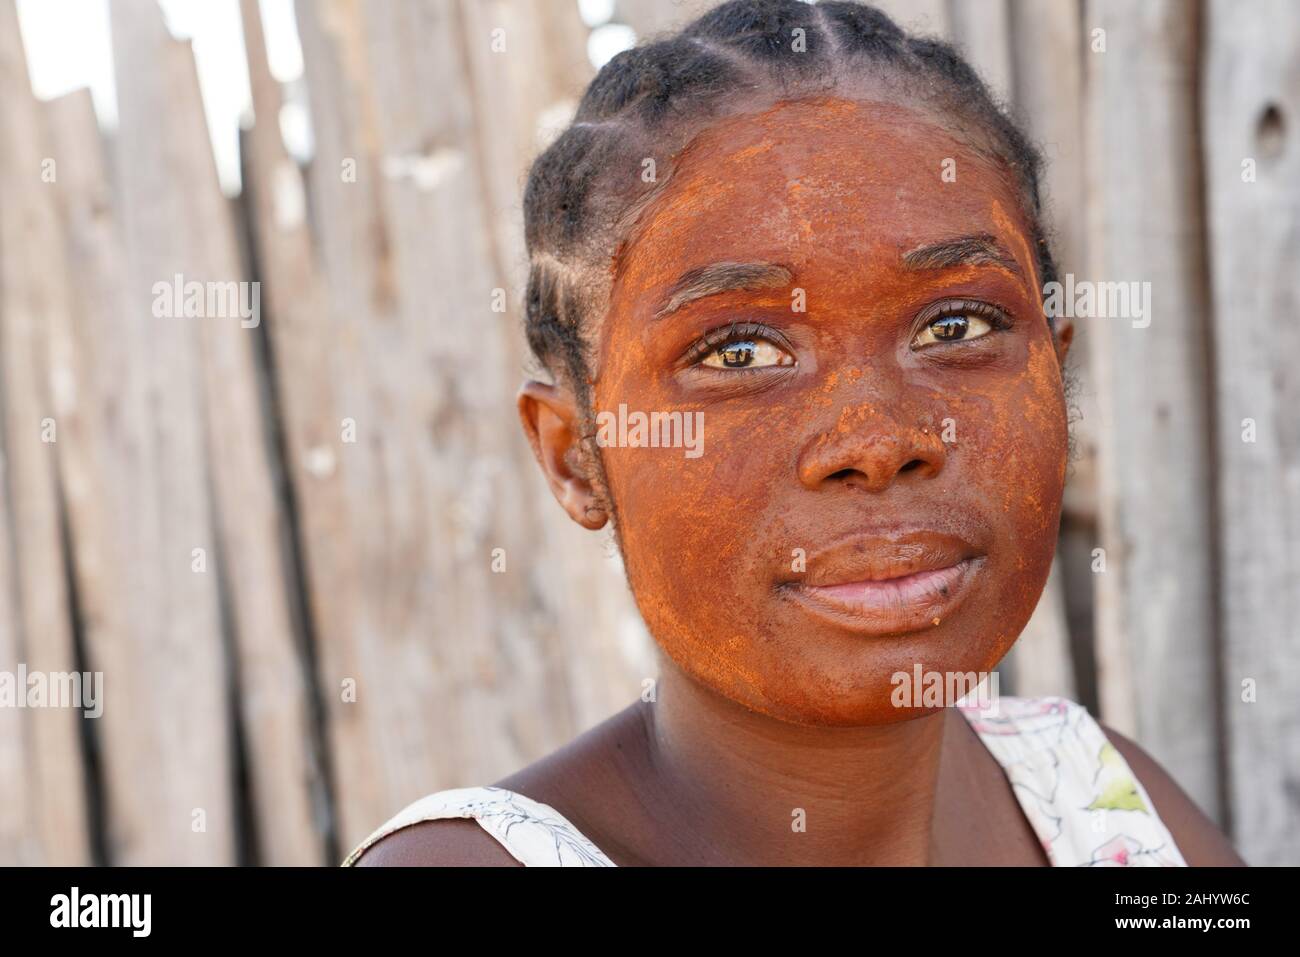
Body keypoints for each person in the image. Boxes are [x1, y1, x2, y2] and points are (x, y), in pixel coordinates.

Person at [344, 0, 1245, 867]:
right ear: (575, 455)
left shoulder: (1101, 802)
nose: (878, 439)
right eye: (737, 352)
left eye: (957, 326)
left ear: (1057, 370)